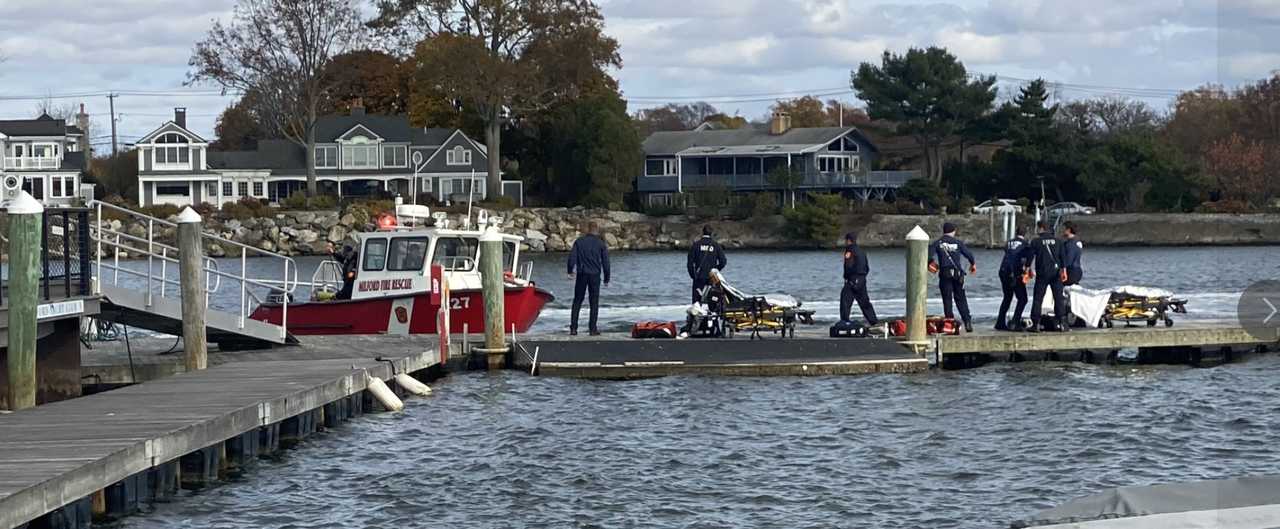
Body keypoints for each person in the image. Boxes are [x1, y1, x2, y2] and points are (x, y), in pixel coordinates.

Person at [928, 223, 977, 333]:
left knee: (947, 299)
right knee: (961, 299)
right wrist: (972, 264)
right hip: (957, 274)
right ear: (953, 231)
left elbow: (928, 255)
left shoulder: (938, 242)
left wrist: (932, 264)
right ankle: (967, 322)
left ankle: (949, 324)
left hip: (945, 274)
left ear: (944, 231)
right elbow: (969, 254)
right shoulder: (958, 242)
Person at [567, 221, 611, 336]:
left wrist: (570, 271)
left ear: (587, 229)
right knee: (594, 302)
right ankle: (592, 329)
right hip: (595, 275)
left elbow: (572, 258)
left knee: (577, 300)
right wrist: (607, 278)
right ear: (596, 230)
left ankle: (573, 328)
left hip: (582, 274)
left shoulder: (579, 242)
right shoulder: (601, 244)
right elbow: (606, 262)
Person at [1028, 221, 1066, 332]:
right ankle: (1062, 323)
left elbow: (1030, 257)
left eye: (1038, 228)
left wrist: (1027, 269)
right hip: (1056, 273)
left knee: (1038, 298)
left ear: (1041, 228)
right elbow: (1063, 257)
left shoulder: (1036, 241)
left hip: (1042, 273)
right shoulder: (1058, 241)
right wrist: (1064, 271)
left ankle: (1035, 324)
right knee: (1058, 298)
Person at [996, 227, 1033, 331]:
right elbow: (1028, 256)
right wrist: (1028, 269)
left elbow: (1010, 254)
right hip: (1014, 273)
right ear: (1025, 234)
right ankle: (1015, 322)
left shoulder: (1009, 243)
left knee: (1007, 297)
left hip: (1003, 271)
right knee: (1023, 298)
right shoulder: (1025, 244)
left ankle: (1000, 322)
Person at [840, 232, 879, 325]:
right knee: (865, 302)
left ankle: (844, 321)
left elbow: (848, 266)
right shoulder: (861, 251)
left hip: (852, 279)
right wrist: (862, 277)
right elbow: (867, 267)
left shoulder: (849, 251)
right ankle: (873, 321)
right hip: (862, 279)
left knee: (845, 301)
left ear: (848, 240)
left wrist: (846, 277)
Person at [687, 225, 727, 304]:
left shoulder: (696, 245)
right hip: (712, 277)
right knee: (713, 298)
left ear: (703, 232)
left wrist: (693, 275)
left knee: (697, 301)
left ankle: (697, 314)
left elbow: (690, 263)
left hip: (699, 277)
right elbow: (723, 261)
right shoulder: (716, 246)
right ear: (711, 233)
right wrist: (715, 270)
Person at [1061, 222, 1084, 287]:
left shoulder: (1069, 244)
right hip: (1078, 270)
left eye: (1063, 229)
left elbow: (1068, 260)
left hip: (1070, 271)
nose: (1062, 231)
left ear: (1068, 230)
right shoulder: (1078, 241)